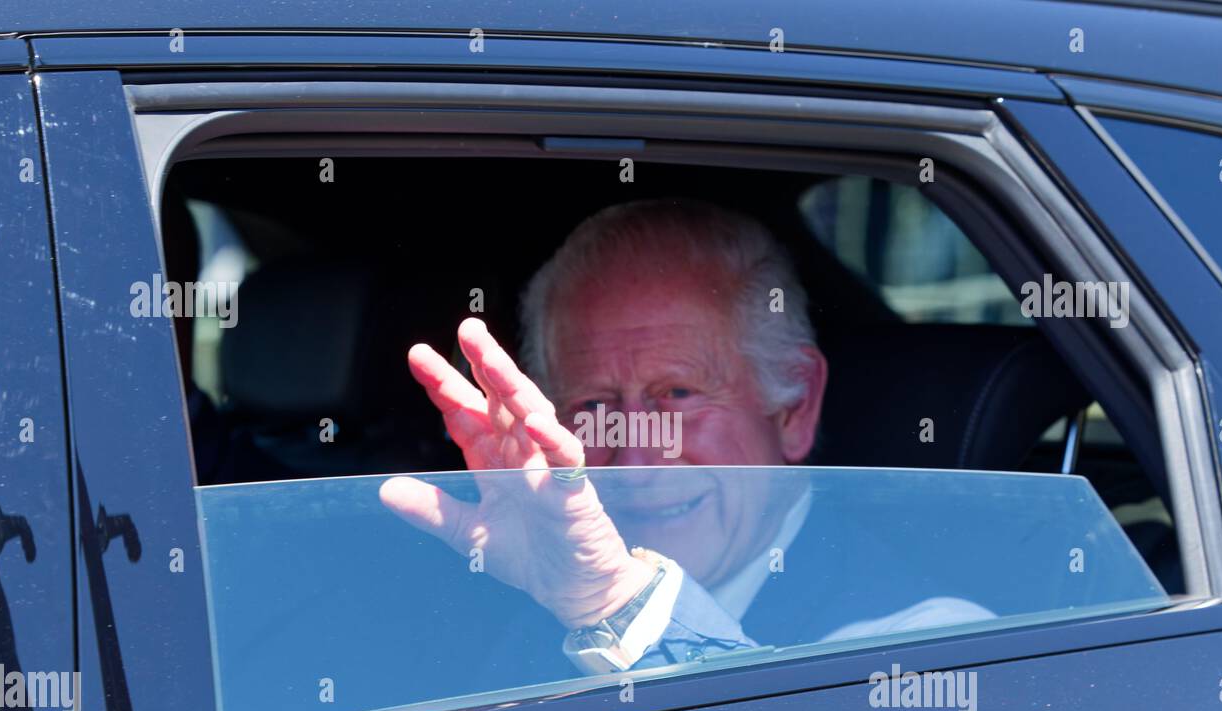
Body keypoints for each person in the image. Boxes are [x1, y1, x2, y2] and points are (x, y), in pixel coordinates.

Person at [380, 199, 990, 674]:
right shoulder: (518, 609)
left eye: (678, 395)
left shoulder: (930, 640)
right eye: (595, 404)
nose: (638, 462)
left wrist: (613, 604)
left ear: (795, 406)